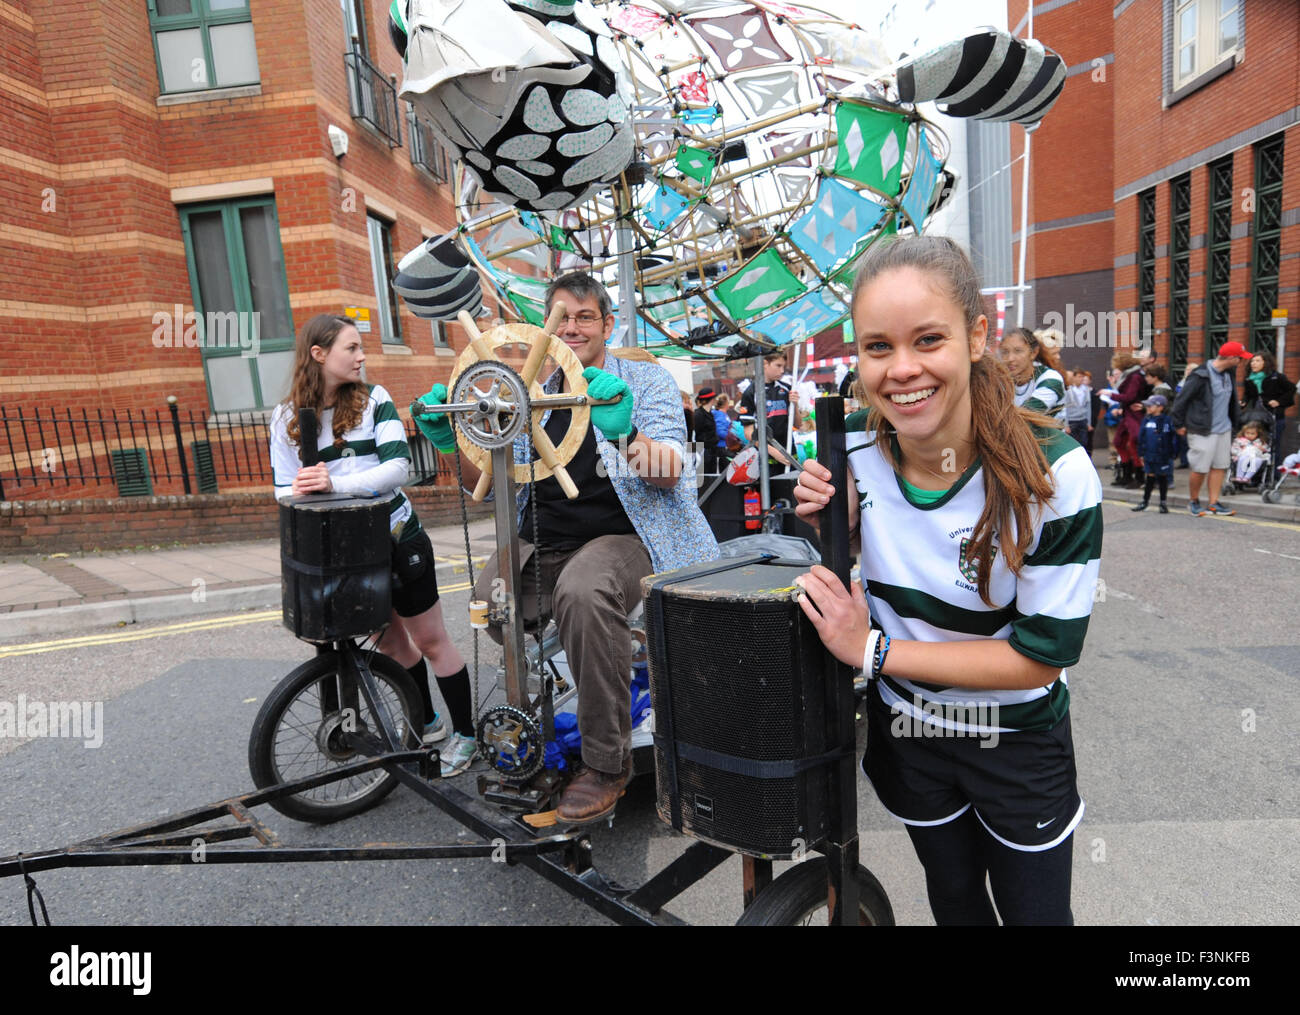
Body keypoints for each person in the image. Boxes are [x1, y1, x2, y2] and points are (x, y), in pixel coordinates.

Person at [793, 236, 1102, 926]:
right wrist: (832, 533)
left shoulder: (1058, 472)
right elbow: (851, 587)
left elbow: (1038, 657)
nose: (902, 370)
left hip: (1016, 740)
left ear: (976, 335)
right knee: (955, 901)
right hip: (909, 730)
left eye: (927, 338)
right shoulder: (849, 451)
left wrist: (871, 650)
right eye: (878, 347)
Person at [420, 271, 719, 824]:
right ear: (546, 328)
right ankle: (577, 684)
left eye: (585, 316)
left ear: (608, 323)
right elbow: (484, 478)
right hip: (546, 537)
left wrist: (626, 432)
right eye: (563, 316)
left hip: (631, 535)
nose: (574, 327)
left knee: (585, 591)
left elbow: (669, 473)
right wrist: (450, 439)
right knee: (492, 598)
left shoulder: (644, 381)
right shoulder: (529, 386)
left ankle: (608, 763)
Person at [269, 314, 477, 776]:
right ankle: (426, 723)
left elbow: (398, 469)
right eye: (351, 348)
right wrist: (307, 488)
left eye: (361, 347)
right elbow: (283, 488)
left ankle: (466, 736)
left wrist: (331, 485)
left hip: (397, 537)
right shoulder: (286, 417)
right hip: (345, 550)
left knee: (430, 639)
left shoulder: (374, 401)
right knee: (388, 640)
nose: (362, 356)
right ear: (319, 354)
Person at [1169, 340, 1249, 516]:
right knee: (1200, 467)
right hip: (1202, 429)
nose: (1242, 362)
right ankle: (1194, 501)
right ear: (1231, 358)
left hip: (1224, 429)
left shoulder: (1229, 374)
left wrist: (1236, 420)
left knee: (1220, 466)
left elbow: (1231, 400)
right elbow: (1181, 401)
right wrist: (1179, 424)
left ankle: (1214, 503)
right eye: (1240, 358)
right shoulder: (1200, 375)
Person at [1242, 352, 1296, 479]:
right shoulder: (1249, 379)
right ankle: (1255, 475)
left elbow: (1291, 389)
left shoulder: (1277, 377)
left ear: (1265, 363)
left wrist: (1279, 402)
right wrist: (1243, 402)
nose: (1253, 363)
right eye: (1252, 361)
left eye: (1257, 361)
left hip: (1274, 416)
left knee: (1273, 446)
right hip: (1257, 416)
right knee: (1257, 445)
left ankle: (1273, 475)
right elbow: (1248, 395)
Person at [1000, 326, 1065, 423]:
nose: (1010, 358)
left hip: (1049, 438)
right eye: (1005, 352)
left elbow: (1021, 421)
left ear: (1033, 353)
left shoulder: (1051, 379)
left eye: (1018, 351)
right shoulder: (1001, 380)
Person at [739, 350, 799, 451]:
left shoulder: (787, 389)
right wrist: (774, 452)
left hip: (788, 449)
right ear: (765, 364)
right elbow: (748, 433)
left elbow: (797, 424)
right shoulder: (750, 392)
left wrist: (795, 404)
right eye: (778, 366)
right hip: (765, 454)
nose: (782, 371)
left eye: (783, 366)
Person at [1108, 351, 1150, 488]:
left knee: (1134, 444)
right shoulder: (1130, 375)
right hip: (1128, 413)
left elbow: (1130, 397)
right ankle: (1126, 475)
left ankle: (1138, 478)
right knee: (1118, 442)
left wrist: (1111, 394)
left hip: (1134, 415)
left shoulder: (1134, 377)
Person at [1132, 394, 1175, 513]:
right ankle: (1145, 501)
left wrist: (1172, 453)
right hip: (1149, 455)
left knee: (1162, 478)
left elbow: (1173, 438)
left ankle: (1163, 503)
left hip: (1163, 456)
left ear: (1160, 407)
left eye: (1151, 405)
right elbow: (1141, 438)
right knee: (1149, 477)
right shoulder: (1146, 420)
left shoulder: (1166, 420)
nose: (1148, 407)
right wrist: (1141, 453)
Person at [1231, 421, 1269, 485]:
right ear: (1244, 432)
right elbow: (1233, 450)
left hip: (1256, 457)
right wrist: (1241, 450)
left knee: (1258, 461)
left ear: (1258, 434)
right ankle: (1239, 476)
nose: (1249, 435)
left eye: (1252, 434)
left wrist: (1262, 449)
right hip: (1242, 456)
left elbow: (1266, 450)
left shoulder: (1261, 442)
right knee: (1243, 458)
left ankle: (1247, 477)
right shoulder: (1240, 440)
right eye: (1247, 433)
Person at [1063, 367, 1092, 450]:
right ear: (1074, 377)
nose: (1081, 379)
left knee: (1084, 442)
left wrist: (1089, 423)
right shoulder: (1068, 390)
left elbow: (1088, 406)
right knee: (1073, 444)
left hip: (1083, 420)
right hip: (1072, 421)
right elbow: (1065, 408)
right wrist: (1066, 425)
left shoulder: (1086, 390)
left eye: (1082, 376)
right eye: (1079, 376)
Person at [693, 387, 720, 474]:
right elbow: (695, 435)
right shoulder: (698, 415)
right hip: (703, 452)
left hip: (712, 451)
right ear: (711, 399)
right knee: (704, 478)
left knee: (711, 477)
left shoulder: (710, 414)